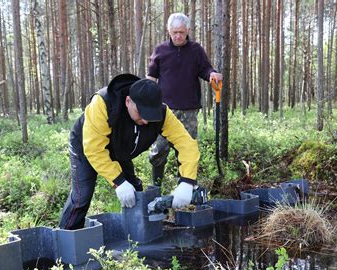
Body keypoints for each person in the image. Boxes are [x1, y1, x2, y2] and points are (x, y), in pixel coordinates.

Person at [58, 73, 200, 230]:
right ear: (128, 102)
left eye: (150, 116)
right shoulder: (103, 103)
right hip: (86, 146)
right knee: (81, 198)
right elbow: (94, 149)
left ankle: (135, 239)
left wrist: (187, 181)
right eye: (142, 114)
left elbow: (186, 143)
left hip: (120, 149)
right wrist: (118, 182)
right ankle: (66, 240)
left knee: (135, 193)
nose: (146, 121)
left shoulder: (163, 114)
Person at [146, 13, 222, 187]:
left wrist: (212, 75)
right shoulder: (160, 50)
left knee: (187, 150)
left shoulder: (196, 50)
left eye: (181, 32)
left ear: (188, 30)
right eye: (174, 32)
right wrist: (146, 99)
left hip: (189, 110)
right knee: (159, 150)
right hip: (164, 111)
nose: (178, 36)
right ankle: (156, 186)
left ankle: (186, 187)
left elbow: (205, 69)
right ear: (169, 31)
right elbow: (151, 77)